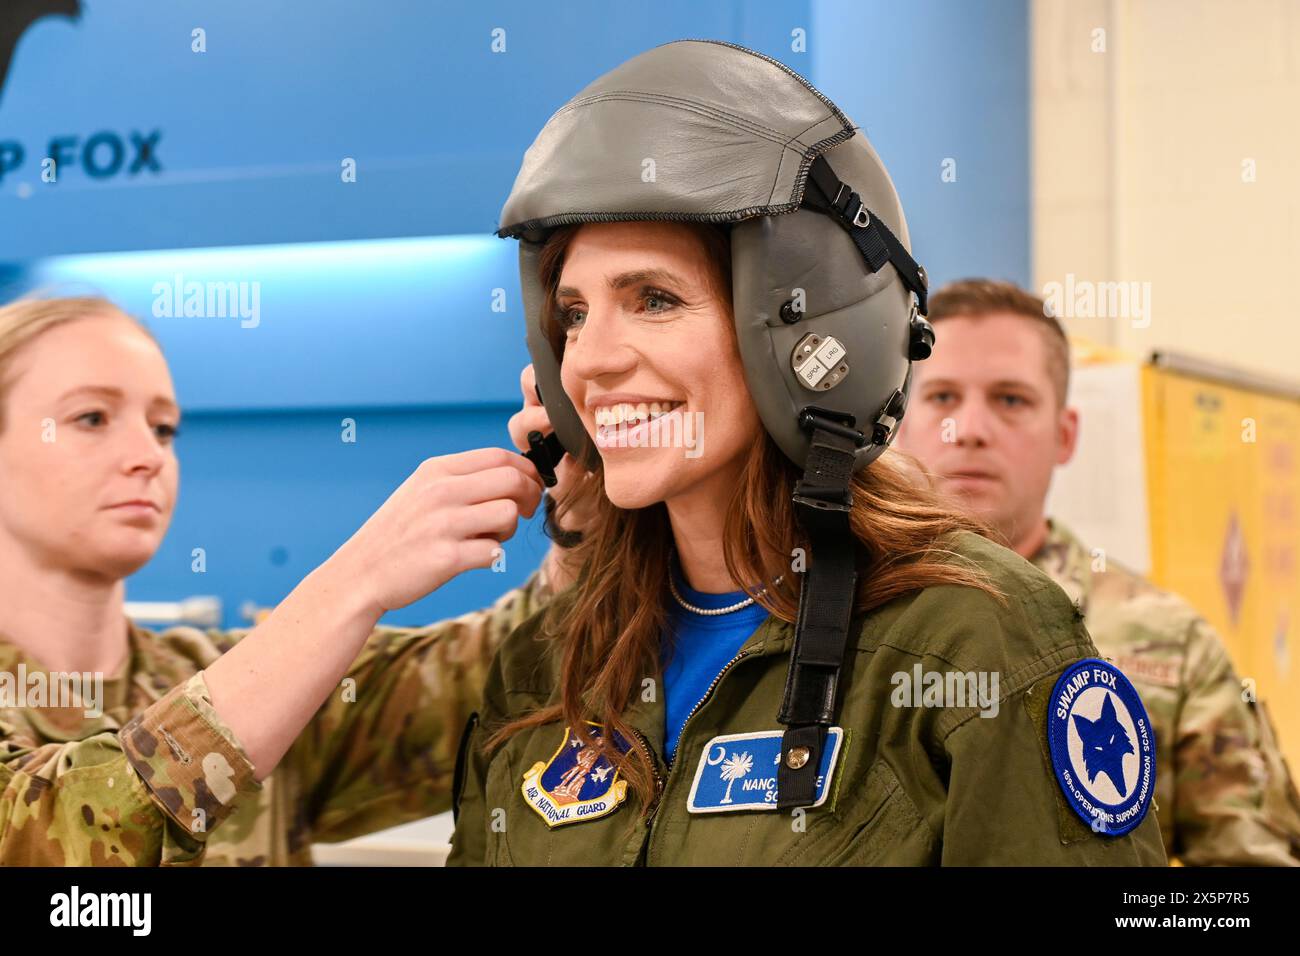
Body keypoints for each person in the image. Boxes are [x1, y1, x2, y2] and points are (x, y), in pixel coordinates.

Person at [446, 39, 1167, 866]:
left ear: (808, 328)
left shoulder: (973, 639)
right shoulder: (552, 663)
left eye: (653, 300)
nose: (593, 359)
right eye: (572, 313)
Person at [0, 295, 582, 865]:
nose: (147, 454)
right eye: (92, 418)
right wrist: (354, 581)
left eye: (163, 428)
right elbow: (50, 838)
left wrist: (581, 520)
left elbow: (493, 672)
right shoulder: (261, 679)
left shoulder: (226, 673)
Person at [895, 277, 1300, 865]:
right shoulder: (832, 621)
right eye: (941, 398)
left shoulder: (1171, 643)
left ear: (1065, 435)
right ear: (900, 425)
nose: (972, 429)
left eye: (1011, 399)